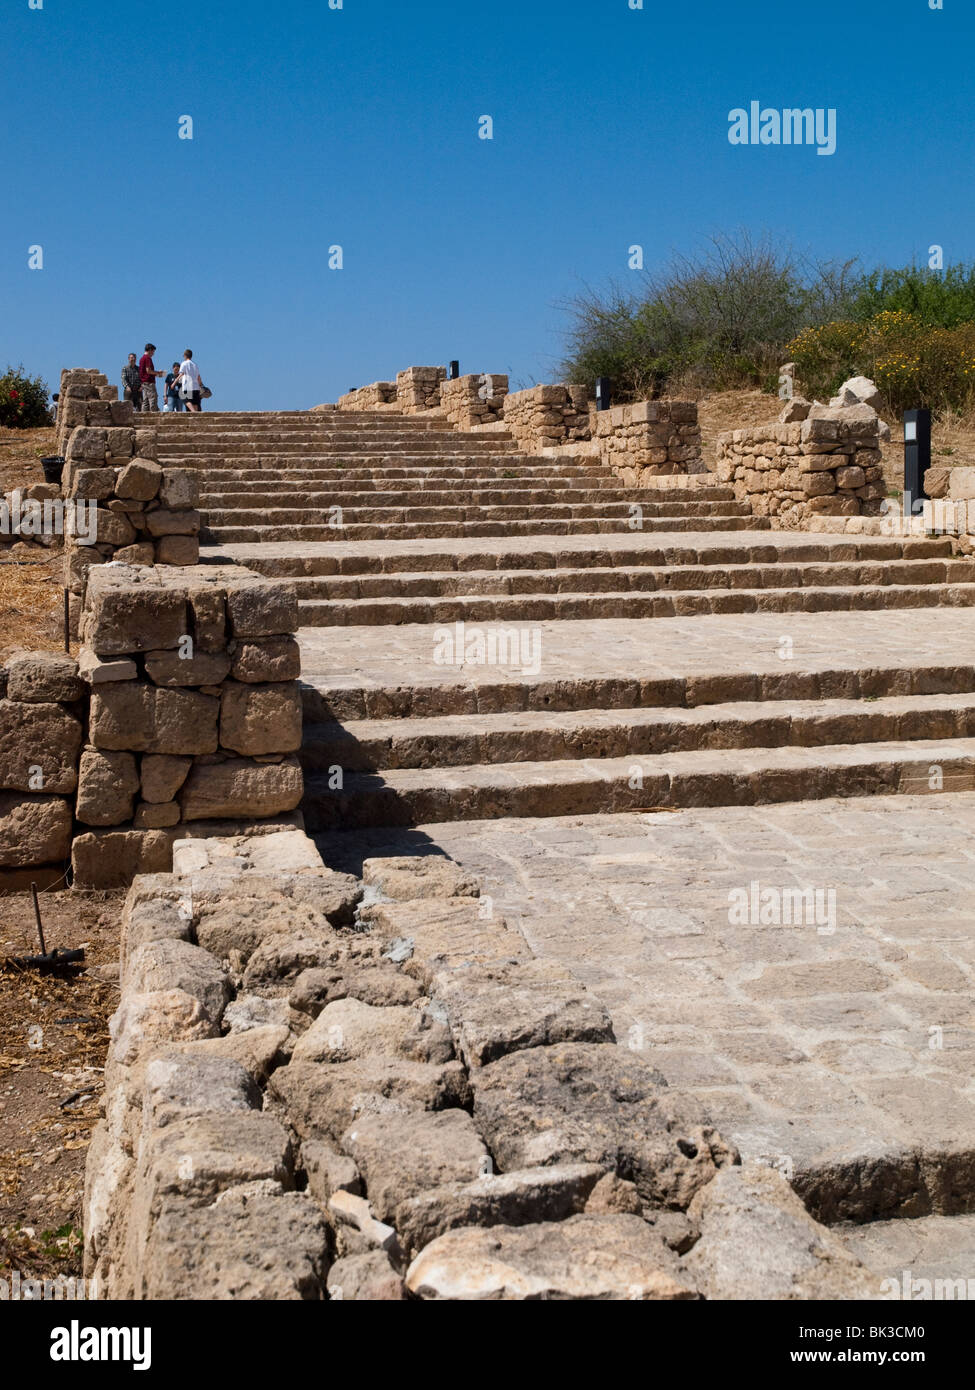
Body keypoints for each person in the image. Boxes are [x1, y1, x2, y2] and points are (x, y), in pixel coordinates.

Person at [138, 343, 164, 412]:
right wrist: (158, 373)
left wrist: (156, 374)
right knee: (153, 398)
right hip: (149, 382)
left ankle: (143, 416)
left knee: (145, 401)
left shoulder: (141, 359)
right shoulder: (147, 358)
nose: (153, 353)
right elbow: (148, 371)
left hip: (143, 382)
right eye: (153, 351)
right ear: (149, 350)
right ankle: (154, 414)